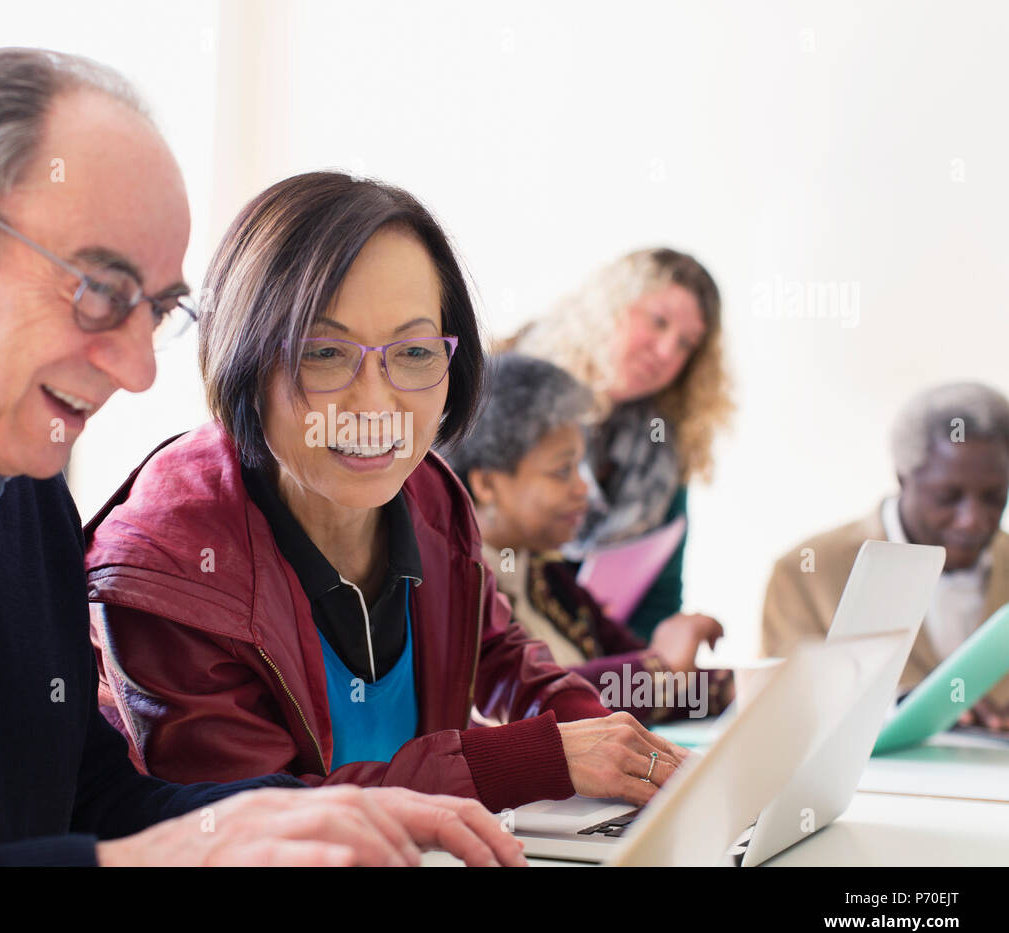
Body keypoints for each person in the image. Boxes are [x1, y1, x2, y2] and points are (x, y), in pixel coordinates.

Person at [0, 48, 524, 868]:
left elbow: (92, 798)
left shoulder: (20, 486)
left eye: (159, 310)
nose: (137, 372)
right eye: (101, 294)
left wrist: (319, 816)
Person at [84, 171, 691, 814]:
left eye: (414, 352)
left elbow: (497, 650)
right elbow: (252, 816)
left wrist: (614, 744)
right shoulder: (169, 564)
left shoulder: (429, 491)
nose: (376, 405)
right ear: (243, 354)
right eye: (323, 352)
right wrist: (532, 759)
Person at [444, 353, 731, 723]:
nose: (584, 489)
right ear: (486, 484)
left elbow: (643, 670)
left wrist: (738, 687)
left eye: (581, 467)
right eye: (562, 471)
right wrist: (659, 668)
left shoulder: (547, 573)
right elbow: (519, 702)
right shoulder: (454, 587)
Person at [508, 248, 734, 638]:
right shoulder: (504, 388)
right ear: (609, 306)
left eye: (686, 344)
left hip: (604, 676)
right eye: (658, 321)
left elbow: (660, 601)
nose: (666, 352)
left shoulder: (665, 446)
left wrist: (647, 665)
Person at [762, 382, 1009, 731]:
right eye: (947, 497)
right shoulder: (805, 574)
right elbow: (782, 712)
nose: (973, 519)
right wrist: (902, 705)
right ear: (903, 477)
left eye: (994, 497)